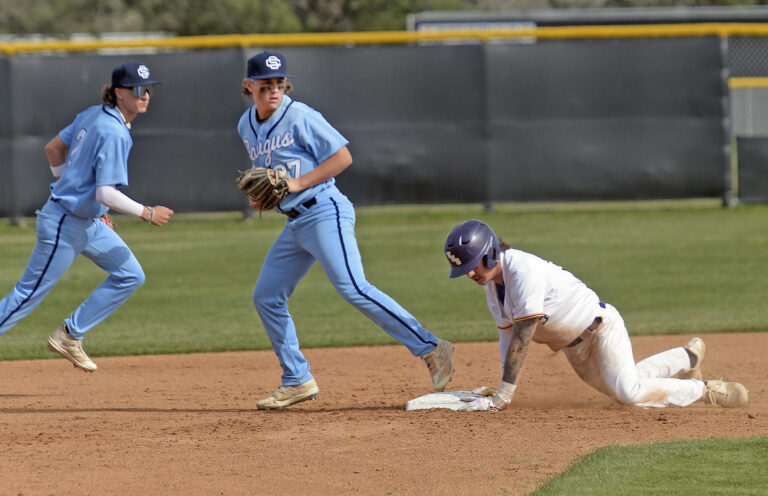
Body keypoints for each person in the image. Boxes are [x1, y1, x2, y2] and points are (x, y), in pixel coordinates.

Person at [237, 51, 454, 409]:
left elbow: (342, 157)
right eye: (265, 85)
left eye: (279, 83)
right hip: (294, 224)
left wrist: (298, 183)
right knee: (266, 296)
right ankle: (296, 379)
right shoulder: (246, 124)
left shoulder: (300, 116)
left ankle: (432, 348)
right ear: (249, 86)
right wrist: (263, 199)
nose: (273, 90)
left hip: (325, 211)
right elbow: (270, 173)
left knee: (353, 287)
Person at [442, 219, 749, 412]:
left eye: (472, 264)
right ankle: (686, 358)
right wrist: (501, 387)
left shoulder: (521, 269)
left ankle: (707, 391)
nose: (469, 273)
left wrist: (504, 394)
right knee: (628, 386)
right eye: (464, 268)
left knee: (629, 394)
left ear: (490, 253)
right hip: (575, 349)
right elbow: (507, 336)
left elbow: (523, 336)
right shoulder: (494, 288)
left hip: (601, 329)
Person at [0, 61, 174, 372]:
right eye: (137, 89)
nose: (145, 95)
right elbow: (105, 193)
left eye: (148, 89)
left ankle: (70, 335)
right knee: (27, 294)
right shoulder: (114, 131)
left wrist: (80, 193)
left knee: (130, 274)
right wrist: (146, 212)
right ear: (120, 92)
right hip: (64, 223)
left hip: (88, 221)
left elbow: (54, 149)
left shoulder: (94, 114)